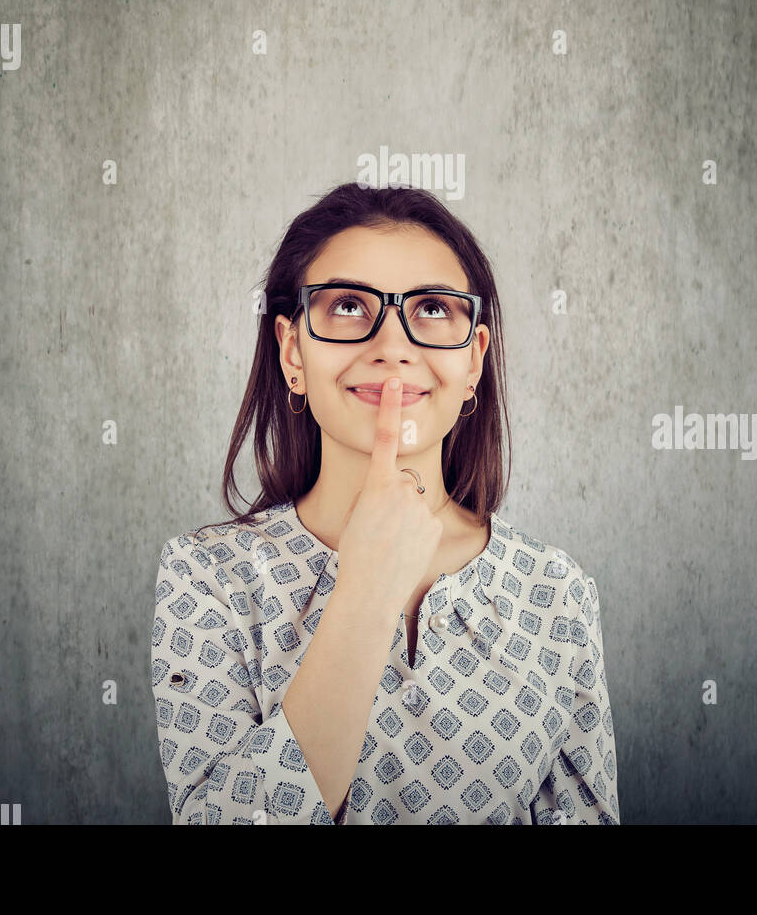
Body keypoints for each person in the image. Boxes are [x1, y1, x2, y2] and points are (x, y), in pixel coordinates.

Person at [151, 182, 620, 824]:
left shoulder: (557, 593)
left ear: (475, 360)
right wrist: (368, 589)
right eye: (347, 306)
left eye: (431, 309)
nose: (392, 345)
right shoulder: (206, 578)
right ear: (293, 352)